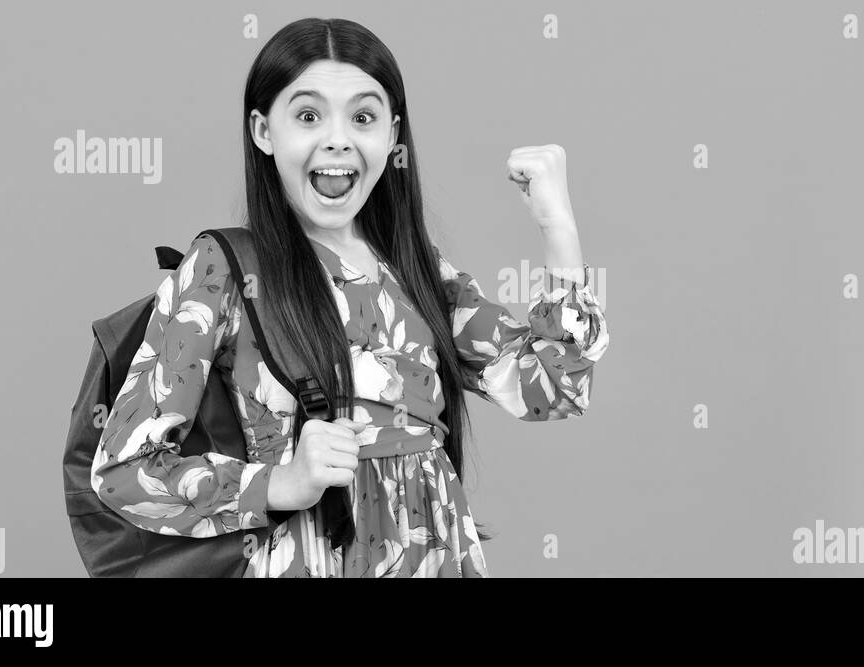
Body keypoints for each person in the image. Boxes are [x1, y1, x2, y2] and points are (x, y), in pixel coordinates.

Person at [89, 17, 609, 577]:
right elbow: (124, 471)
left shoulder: (417, 270)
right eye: (308, 115)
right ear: (264, 132)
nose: (337, 138)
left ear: (392, 136)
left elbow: (552, 388)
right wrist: (279, 483)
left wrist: (557, 228)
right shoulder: (224, 269)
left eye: (363, 116)